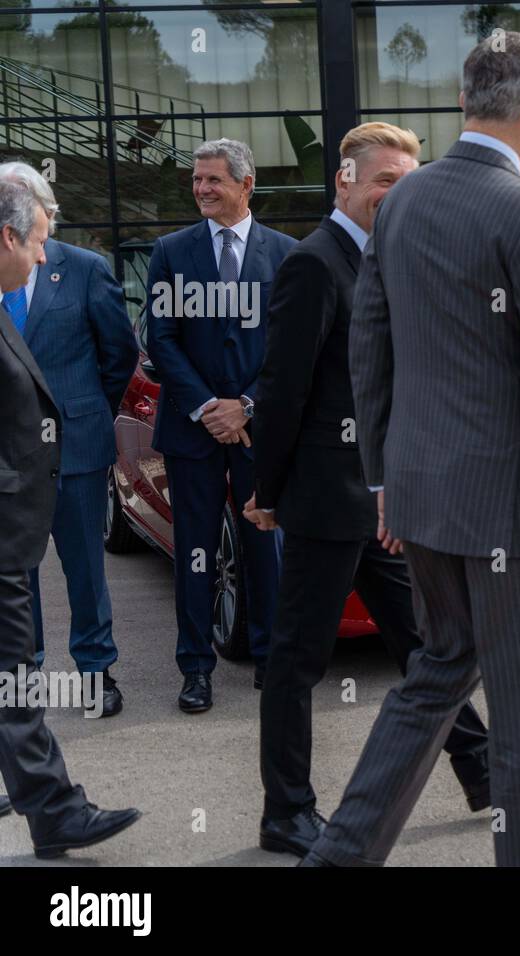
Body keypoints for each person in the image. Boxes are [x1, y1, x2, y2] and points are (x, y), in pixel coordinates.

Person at [303, 31, 520, 868]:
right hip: (509, 510)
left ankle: (335, 859)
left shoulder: (402, 202)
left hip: (421, 494)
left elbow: (368, 348)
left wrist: (383, 480)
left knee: (436, 676)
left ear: (463, 104)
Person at [245, 122, 492, 858]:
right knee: (296, 662)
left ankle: (481, 766)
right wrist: (268, 490)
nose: (398, 193)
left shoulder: (385, 261)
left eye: (408, 181)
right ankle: (285, 812)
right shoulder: (314, 266)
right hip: (326, 499)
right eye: (385, 179)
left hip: (376, 499)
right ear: (344, 181)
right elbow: (282, 389)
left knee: (425, 642)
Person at [0, 177, 140, 858]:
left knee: (78, 574)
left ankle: (92, 679)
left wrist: (82, 419)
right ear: (11, 232)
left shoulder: (83, 272)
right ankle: (39, 781)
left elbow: (117, 354)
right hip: (9, 486)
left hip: (72, 454)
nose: (42, 247)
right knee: (12, 637)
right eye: (36, 234)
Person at [144, 139, 296, 713]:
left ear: (245, 184)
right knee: (197, 552)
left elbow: (294, 347)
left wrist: (248, 405)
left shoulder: (286, 254)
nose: (202, 189)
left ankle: (270, 661)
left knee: (265, 545)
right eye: (197, 181)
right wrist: (210, 405)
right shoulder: (170, 252)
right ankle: (196, 668)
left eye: (213, 180)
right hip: (193, 431)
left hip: (261, 432)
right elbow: (162, 338)